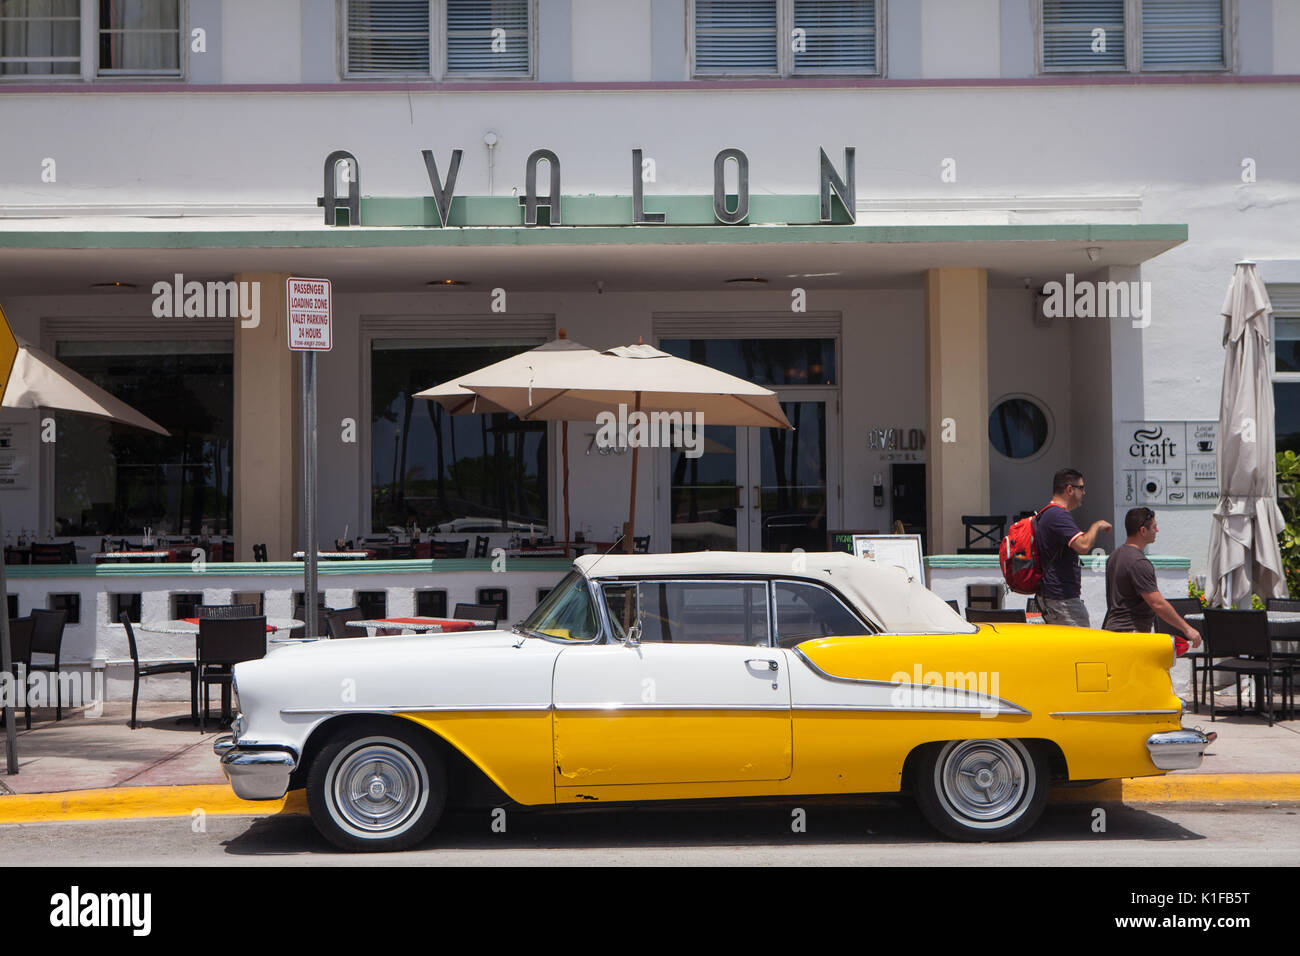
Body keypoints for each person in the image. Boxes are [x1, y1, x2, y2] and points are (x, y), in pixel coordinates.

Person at [1102, 507, 1203, 650]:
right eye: (1154, 527)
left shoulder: (1115, 555)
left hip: (1113, 632)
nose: (1157, 530)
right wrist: (1187, 629)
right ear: (1142, 530)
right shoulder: (1138, 562)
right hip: (1131, 634)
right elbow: (1157, 603)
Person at [1035, 468, 1112, 627]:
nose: (1084, 493)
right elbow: (1083, 545)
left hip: (1055, 599)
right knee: (1081, 649)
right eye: (1081, 488)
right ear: (1070, 489)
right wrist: (1096, 526)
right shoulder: (1058, 515)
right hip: (1062, 601)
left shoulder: (1048, 513)